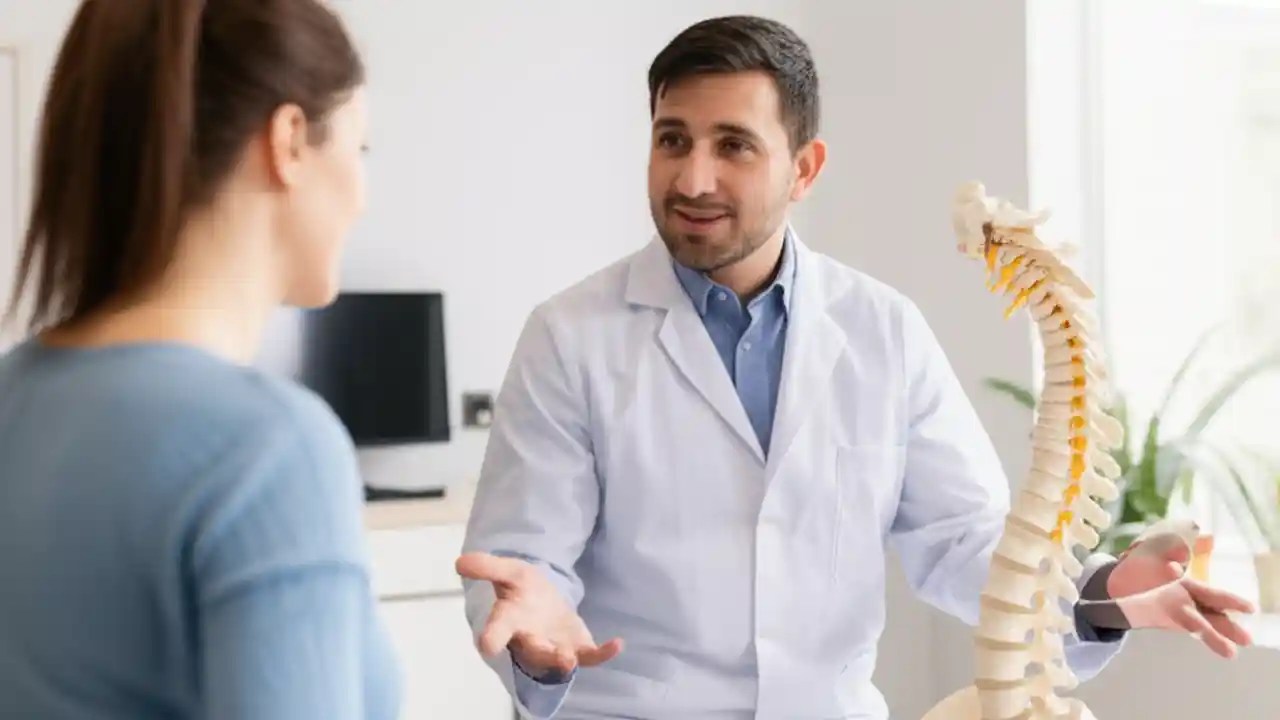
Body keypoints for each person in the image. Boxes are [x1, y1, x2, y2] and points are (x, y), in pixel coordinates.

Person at [456, 14, 1255, 720]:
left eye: (733, 145)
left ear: (805, 169)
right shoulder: (570, 337)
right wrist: (533, 639)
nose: (692, 179)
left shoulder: (884, 331)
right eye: (673, 140)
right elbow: (524, 568)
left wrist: (1103, 597)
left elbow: (965, 544)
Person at [0, 1, 398, 718]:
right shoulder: (270, 449)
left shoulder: (12, 396)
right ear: (291, 141)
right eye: (360, 151)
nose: (363, 199)